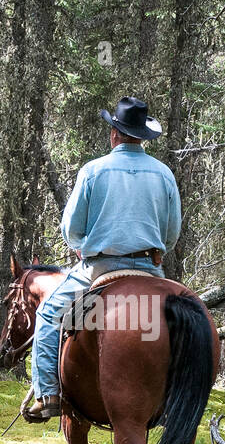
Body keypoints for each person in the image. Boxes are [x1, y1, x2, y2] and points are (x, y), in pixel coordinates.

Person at [22, 96, 182, 422]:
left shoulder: (93, 171)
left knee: (50, 314)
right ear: (143, 136)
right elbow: (171, 234)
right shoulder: (164, 174)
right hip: (150, 269)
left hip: (99, 268)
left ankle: (48, 395)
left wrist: (82, 244)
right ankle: (172, 402)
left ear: (114, 134)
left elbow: (70, 229)